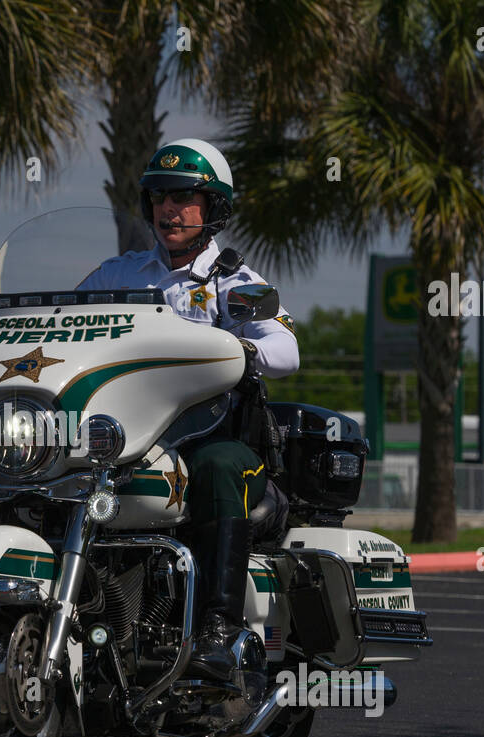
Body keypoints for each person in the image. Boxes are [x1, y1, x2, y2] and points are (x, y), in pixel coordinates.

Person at [78, 138, 298, 683]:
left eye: (185, 197)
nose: (169, 210)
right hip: (126, 439)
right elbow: (61, 321)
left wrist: (239, 347)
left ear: (214, 208)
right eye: (159, 198)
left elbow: (286, 351)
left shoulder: (235, 281)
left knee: (220, 467)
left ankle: (218, 630)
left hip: (213, 438)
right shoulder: (119, 275)